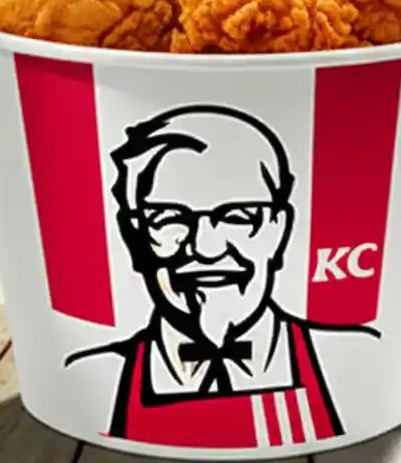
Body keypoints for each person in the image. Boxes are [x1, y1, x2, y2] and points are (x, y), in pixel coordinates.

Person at [66, 104, 378, 449]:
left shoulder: (352, 355)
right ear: (134, 237)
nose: (207, 248)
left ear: (279, 229)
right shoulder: (90, 379)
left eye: (239, 216)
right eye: (169, 218)